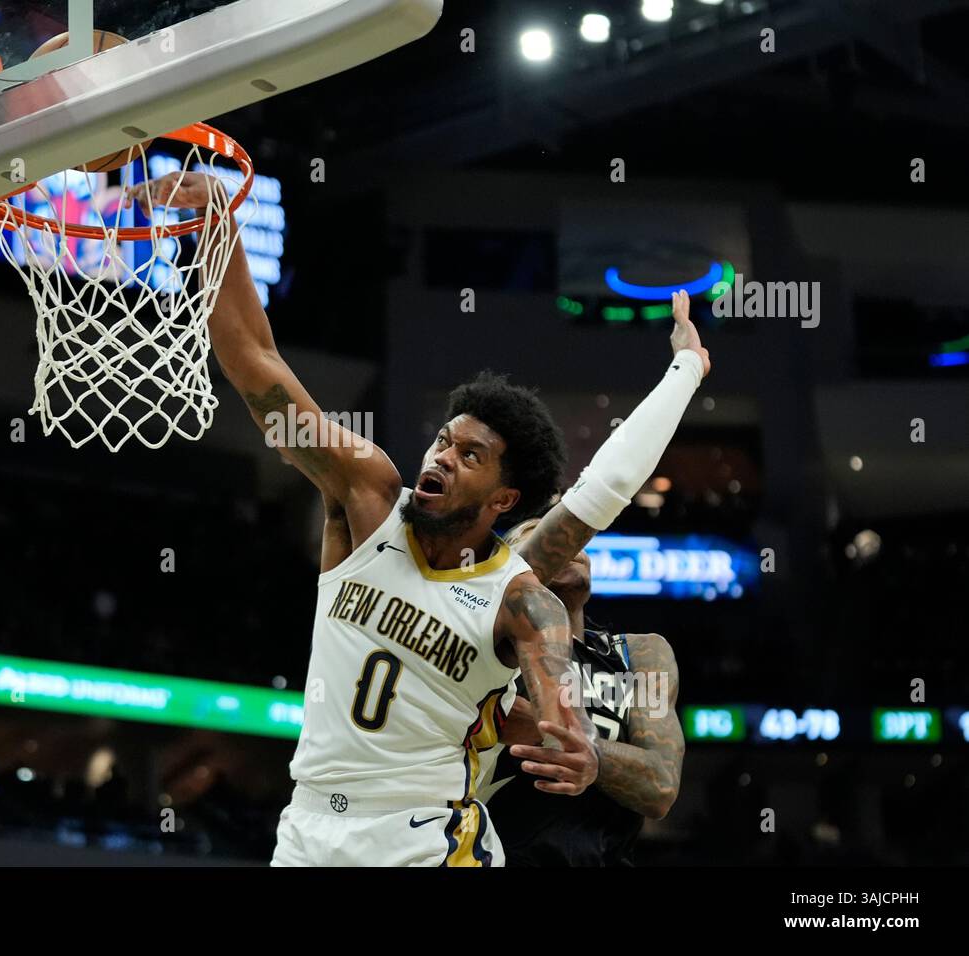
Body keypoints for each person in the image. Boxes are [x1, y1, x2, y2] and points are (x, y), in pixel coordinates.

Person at [125, 172, 709, 866]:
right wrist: (215, 229)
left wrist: (576, 749)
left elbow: (564, 709)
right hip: (308, 828)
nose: (444, 456)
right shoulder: (367, 496)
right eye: (444, 441)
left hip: (426, 842)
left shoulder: (523, 598)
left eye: (472, 455)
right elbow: (258, 366)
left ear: (503, 500)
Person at [482, 547, 684, 865]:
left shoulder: (642, 655)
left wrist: (559, 736)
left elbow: (661, 785)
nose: (572, 544)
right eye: (542, 530)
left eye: (581, 536)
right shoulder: (490, 648)